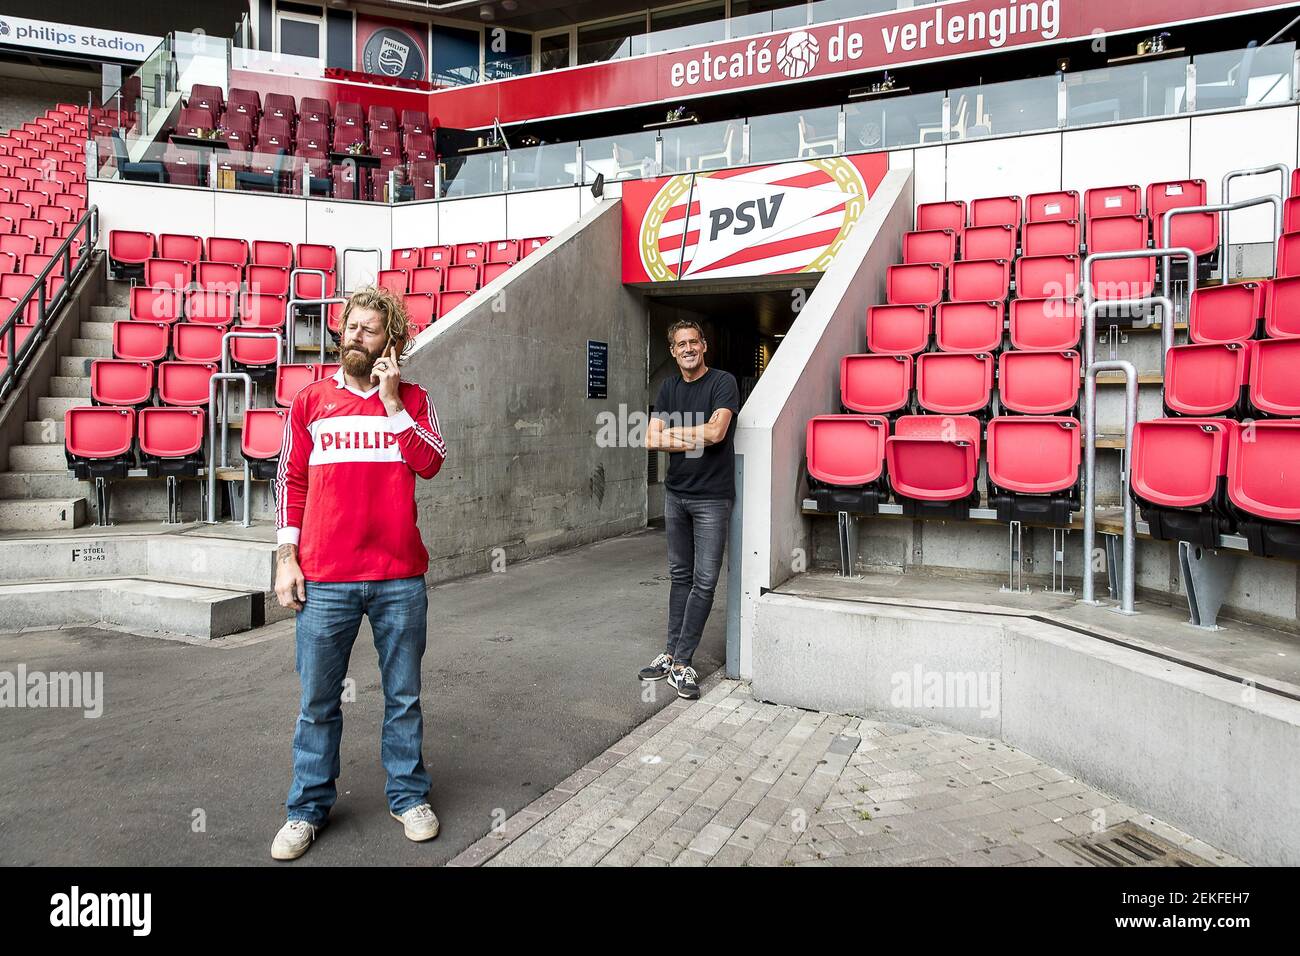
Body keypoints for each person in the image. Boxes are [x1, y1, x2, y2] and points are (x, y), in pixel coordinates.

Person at [269, 285, 447, 861]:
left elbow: (431, 463)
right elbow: (290, 481)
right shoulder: (310, 401)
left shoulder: (415, 401)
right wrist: (286, 556)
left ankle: (408, 797)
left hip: (399, 577)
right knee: (317, 701)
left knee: (403, 697)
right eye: (350, 327)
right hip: (325, 577)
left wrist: (393, 404)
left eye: (369, 330)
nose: (355, 337)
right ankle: (306, 809)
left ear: (391, 341)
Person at [639, 320, 739, 700]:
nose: (687, 348)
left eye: (693, 341)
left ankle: (682, 664)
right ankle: (670, 653)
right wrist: (697, 433)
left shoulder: (722, 382)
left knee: (705, 580)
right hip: (676, 494)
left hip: (712, 497)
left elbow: (718, 435)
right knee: (680, 576)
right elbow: (651, 438)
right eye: (680, 344)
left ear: (704, 345)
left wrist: (675, 435)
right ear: (672, 350)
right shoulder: (669, 387)